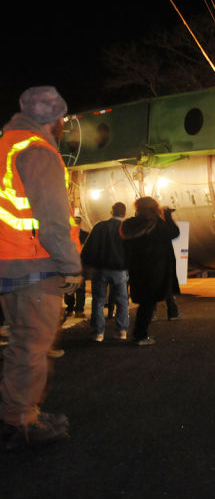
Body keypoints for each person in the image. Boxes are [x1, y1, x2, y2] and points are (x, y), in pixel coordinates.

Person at [0, 86, 82, 449]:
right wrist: (71, 266)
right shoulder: (38, 152)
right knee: (32, 345)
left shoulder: (6, 145)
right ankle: (20, 421)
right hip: (33, 264)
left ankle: (19, 411)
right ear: (55, 118)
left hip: (9, 261)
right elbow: (53, 222)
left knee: (22, 343)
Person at [120, 197, 180, 346]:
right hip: (154, 269)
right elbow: (174, 233)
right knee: (148, 303)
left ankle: (139, 334)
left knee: (144, 302)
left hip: (136, 268)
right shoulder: (157, 224)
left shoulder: (128, 224)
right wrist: (167, 216)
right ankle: (140, 335)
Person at [81, 202, 130, 342]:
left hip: (100, 269)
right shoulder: (126, 228)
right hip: (120, 270)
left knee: (98, 300)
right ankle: (121, 331)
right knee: (122, 301)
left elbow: (88, 249)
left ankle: (98, 333)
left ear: (111, 211)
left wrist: (88, 265)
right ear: (124, 213)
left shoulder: (100, 227)